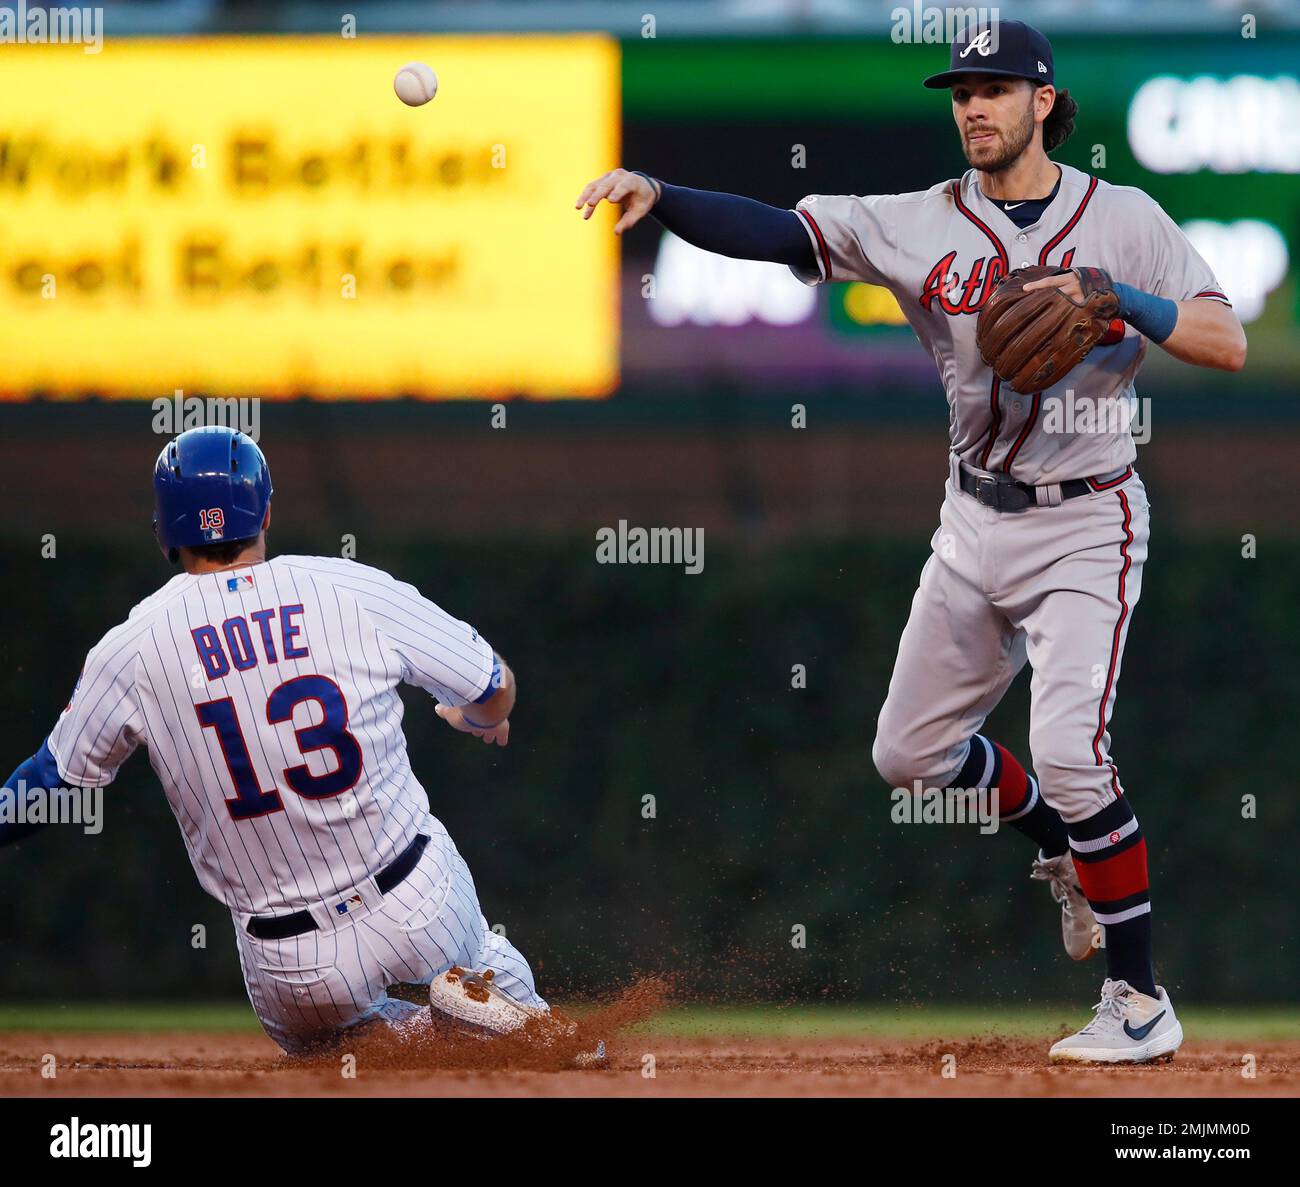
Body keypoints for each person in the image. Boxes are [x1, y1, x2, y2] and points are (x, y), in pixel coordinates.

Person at [575, 18, 1246, 1063]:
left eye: (993, 88)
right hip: (973, 517)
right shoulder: (915, 222)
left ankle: (1137, 999)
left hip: (1086, 517)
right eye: (959, 90)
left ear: (1043, 103)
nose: (971, 105)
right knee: (909, 753)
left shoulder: (1122, 218)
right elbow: (780, 233)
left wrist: (1122, 299)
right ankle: (1064, 854)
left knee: (1072, 752)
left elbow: (1225, 339)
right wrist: (662, 194)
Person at [1, 425, 558, 1055]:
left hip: (291, 960)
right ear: (265, 509)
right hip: (416, 901)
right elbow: (492, 684)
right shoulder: (344, 587)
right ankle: (501, 1014)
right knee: (514, 1002)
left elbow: (49, 783)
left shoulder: (131, 648)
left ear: (163, 529)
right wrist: (480, 717)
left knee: (347, 1052)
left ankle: (405, 1035)